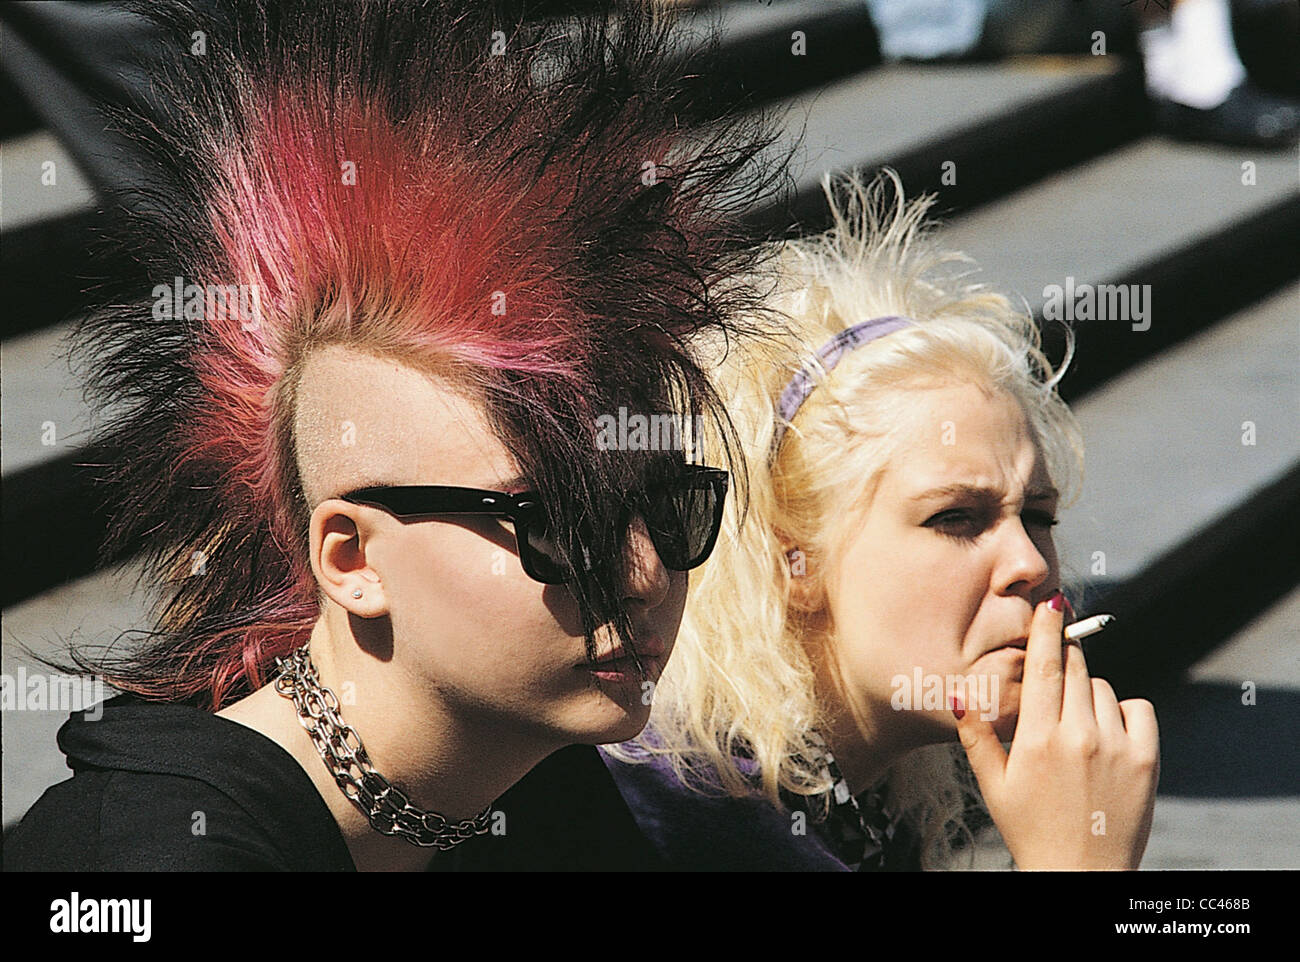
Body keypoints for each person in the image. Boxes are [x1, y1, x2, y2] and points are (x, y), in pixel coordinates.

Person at [4, 0, 783, 872]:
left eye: (669, 506)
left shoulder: (537, 785)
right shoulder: (149, 861)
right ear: (350, 560)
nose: (645, 572)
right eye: (559, 522)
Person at [594, 170, 1161, 870]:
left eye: (1037, 514)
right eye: (956, 517)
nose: (1032, 565)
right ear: (791, 562)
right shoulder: (670, 822)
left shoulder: (857, 810)